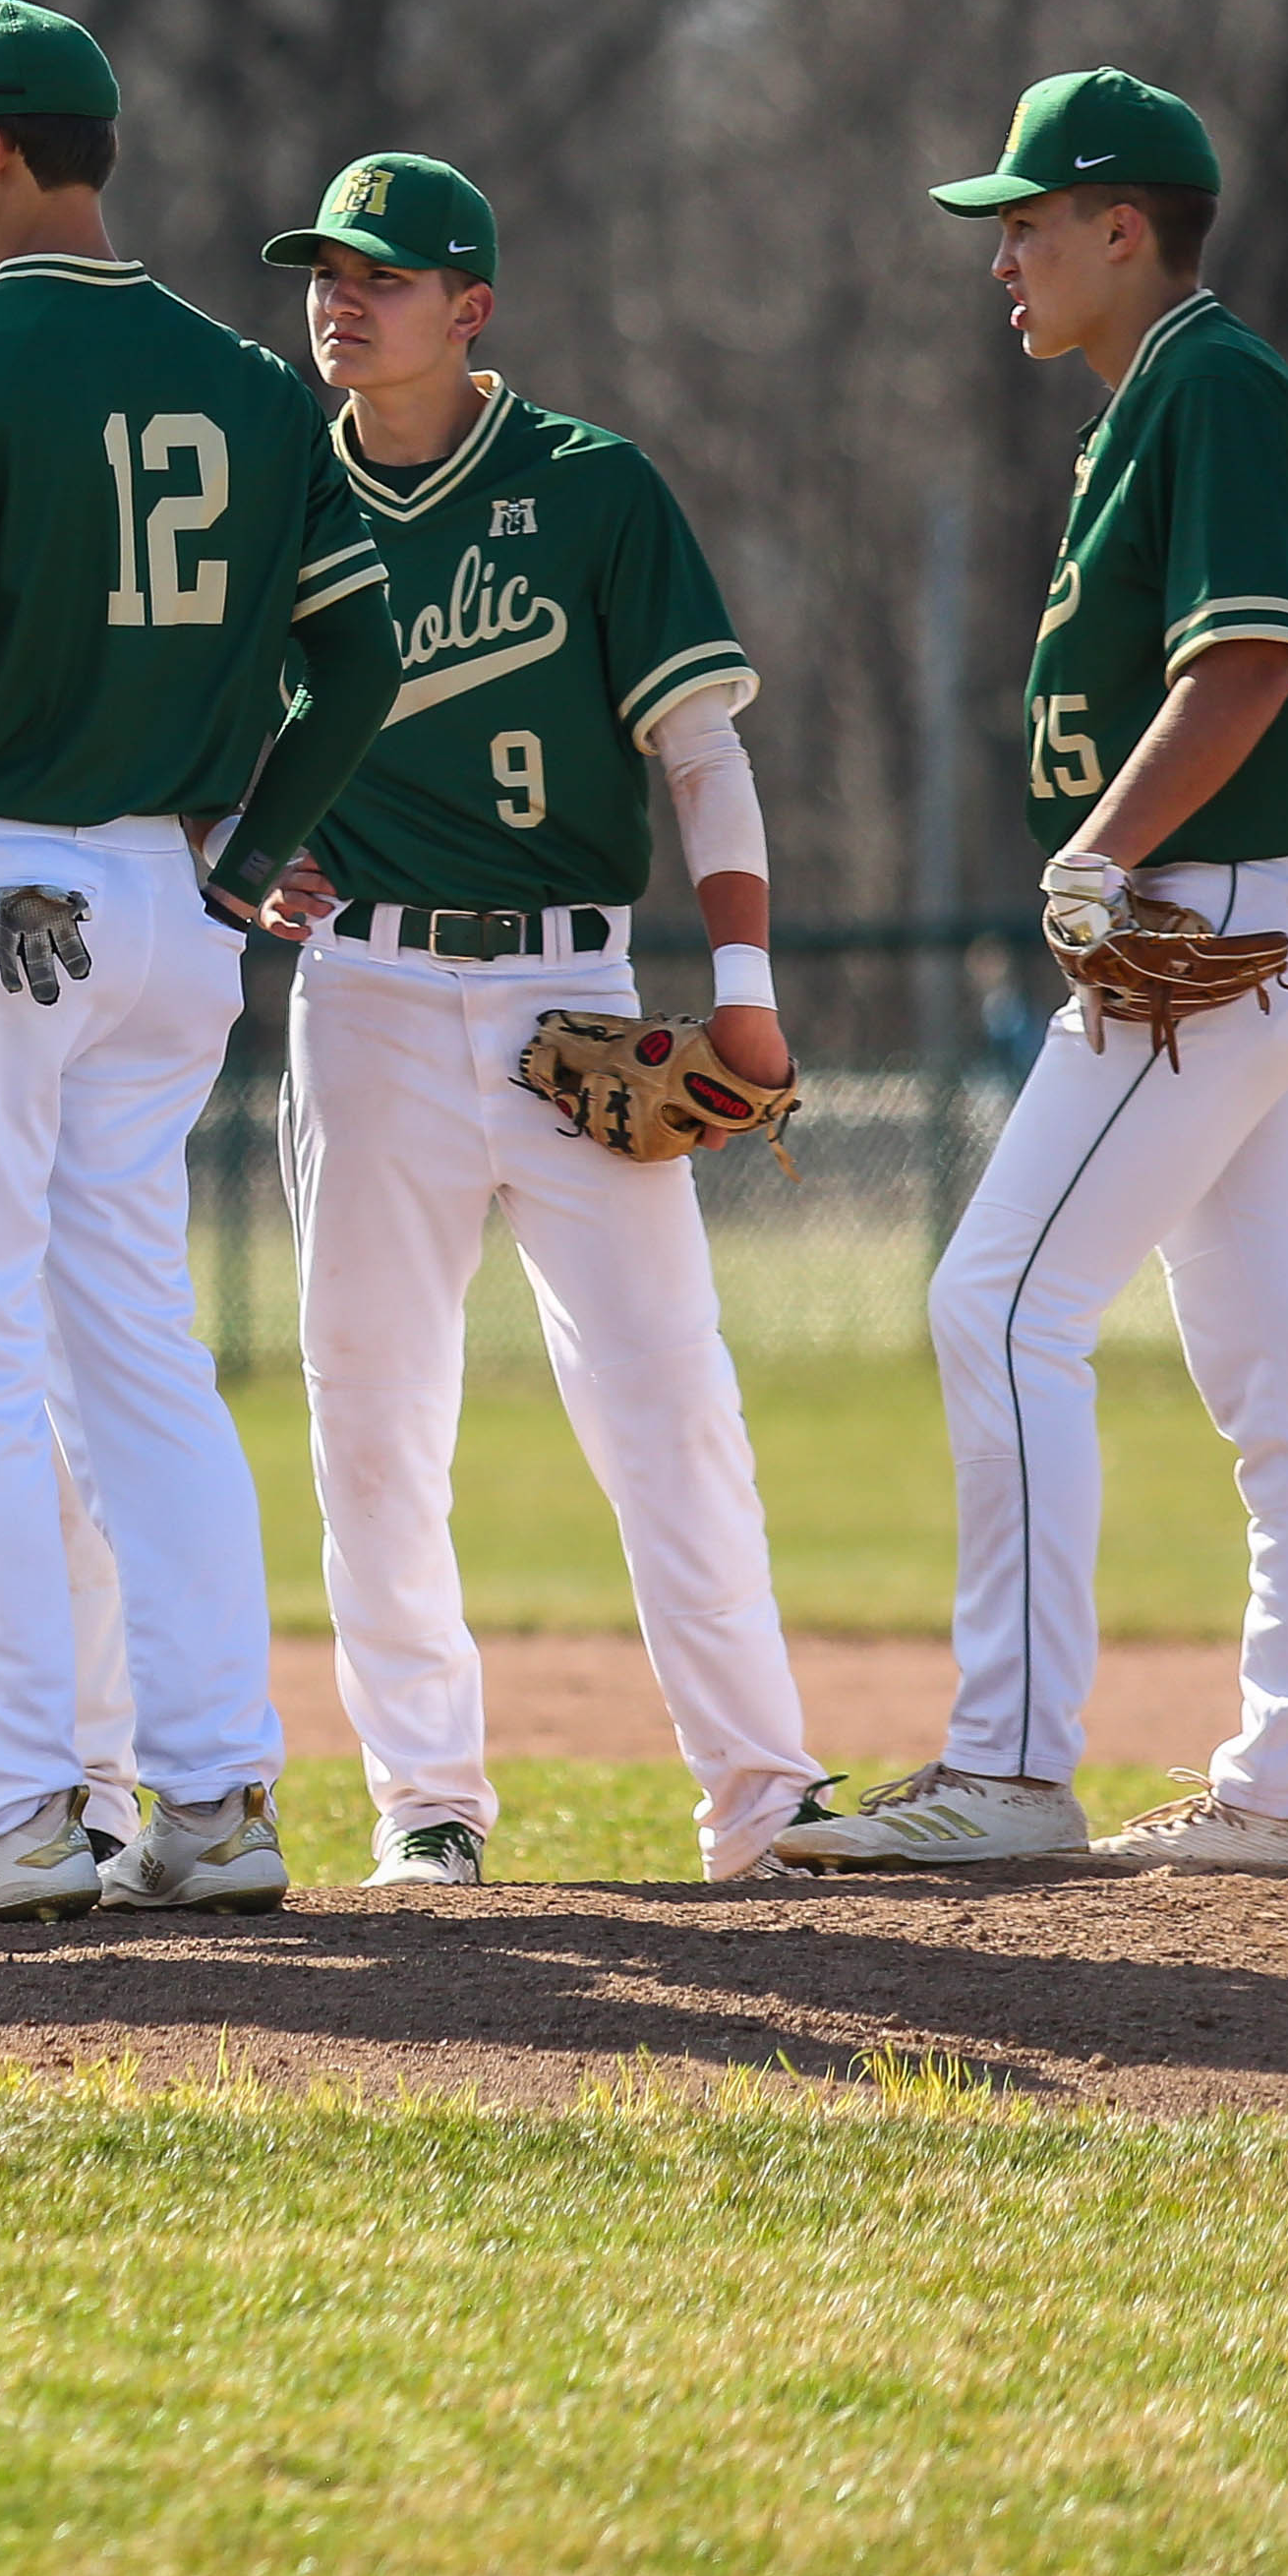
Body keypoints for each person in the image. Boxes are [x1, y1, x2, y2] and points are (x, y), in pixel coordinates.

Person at [0, 0, 400, 1927]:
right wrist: (243, 858)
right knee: (136, 1348)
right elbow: (362, 659)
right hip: (166, 899)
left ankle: (21, 1809)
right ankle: (215, 1794)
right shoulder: (242, 380)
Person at [781, 71, 1288, 1872]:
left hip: (1205, 915)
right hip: (1246, 911)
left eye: (1029, 221)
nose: (1002, 257)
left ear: (1123, 225)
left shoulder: (1203, 380)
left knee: (996, 1298)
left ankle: (1008, 1765)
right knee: (1283, 1365)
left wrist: (1099, 851)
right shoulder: (1154, 397)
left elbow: (1246, 665)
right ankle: (1287, 1789)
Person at [249, 151, 831, 1886]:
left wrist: (742, 990)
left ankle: (764, 1792)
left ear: (470, 307)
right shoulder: (279, 491)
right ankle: (426, 1801)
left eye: (383, 275)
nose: (340, 299)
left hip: (571, 990)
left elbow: (703, 749)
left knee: (669, 1394)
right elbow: (182, 710)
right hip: (364, 989)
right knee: (370, 1408)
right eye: (324, 271)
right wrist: (241, 834)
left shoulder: (589, 488)